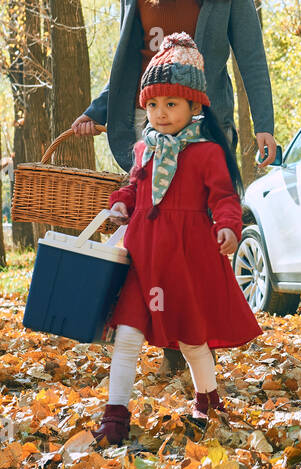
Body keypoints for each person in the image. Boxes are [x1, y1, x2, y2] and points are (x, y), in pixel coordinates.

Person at [71, 0, 277, 376]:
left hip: (205, 119)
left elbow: (251, 57)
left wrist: (264, 125)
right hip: (151, 115)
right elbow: (126, 57)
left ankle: (197, 333)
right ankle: (166, 334)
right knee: (157, 222)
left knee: (207, 220)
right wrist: (100, 110)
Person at [94, 34, 262, 446]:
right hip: (143, 257)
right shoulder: (142, 151)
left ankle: (208, 398)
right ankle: (115, 415)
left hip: (186, 259)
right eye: (152, 104)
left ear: (194, 105)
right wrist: (119, 206)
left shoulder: (206, 153)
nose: (161, 114)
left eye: (171, 104)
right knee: (128, 334)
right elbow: (133, 190)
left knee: (192, 339)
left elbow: (224, 198)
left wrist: (227, 226)